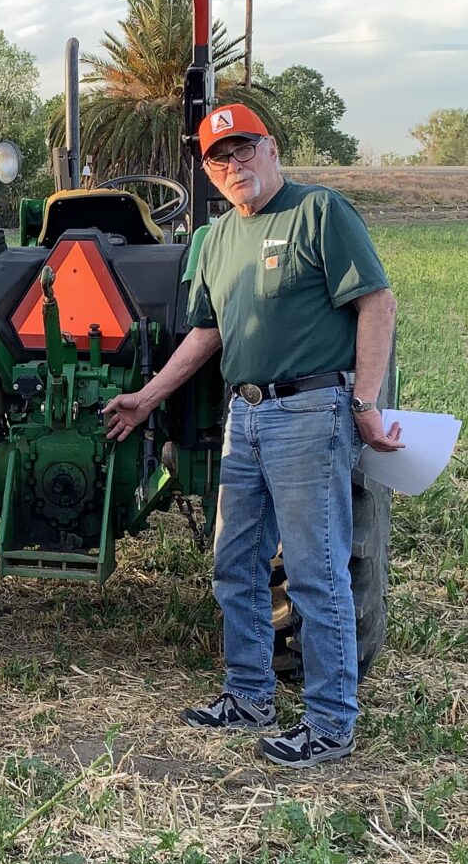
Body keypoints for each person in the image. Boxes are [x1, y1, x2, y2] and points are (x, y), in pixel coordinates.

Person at [103, 104, 400, 769]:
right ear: (206, 171)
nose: (233, 166)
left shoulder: (319, 213)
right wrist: (148, 396)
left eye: (243, 151)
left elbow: (376, 303)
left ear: (270, 149)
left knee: (315, 573)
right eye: (218, 158)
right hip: (246, 415)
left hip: (309, 410)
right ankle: (248, 696)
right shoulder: (213, 241)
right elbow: (207, 334)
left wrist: (366, 403)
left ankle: (329, 724)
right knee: (235, 563)